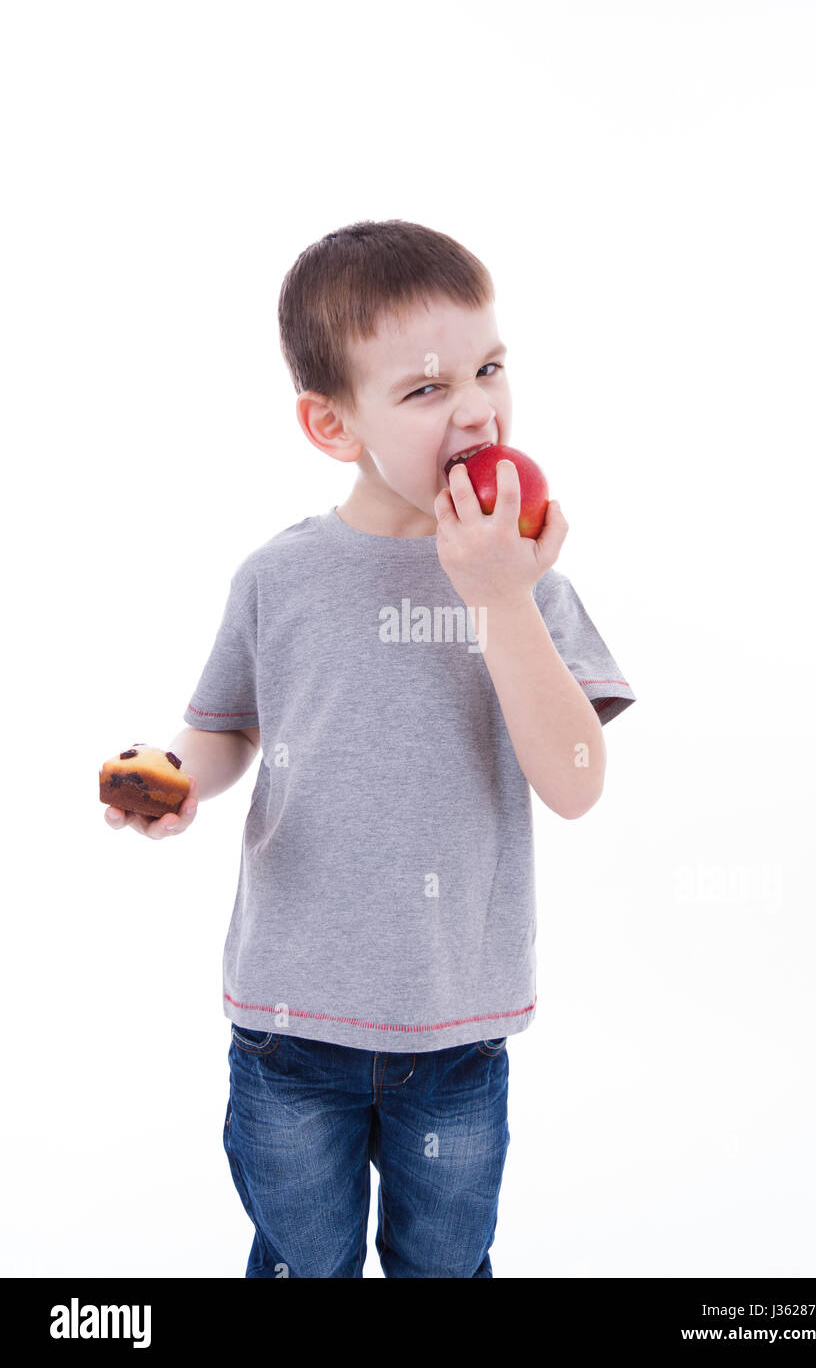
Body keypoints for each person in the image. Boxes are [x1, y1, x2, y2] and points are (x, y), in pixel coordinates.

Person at [104, 219, 637, 1277]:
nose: (478, 405)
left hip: (453, 1030)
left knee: (444, 1264)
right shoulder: (279, 576)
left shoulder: (527, 579)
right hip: (287, 1027)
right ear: (330, 424)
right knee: (300, 1262)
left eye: (488, 367)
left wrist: (499, 598)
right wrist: (177, 779)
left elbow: (575, 783)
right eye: (425, 389)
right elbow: (226, 724)